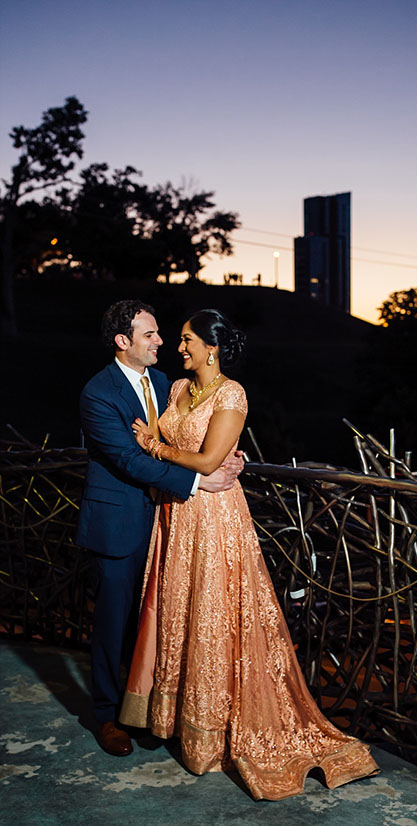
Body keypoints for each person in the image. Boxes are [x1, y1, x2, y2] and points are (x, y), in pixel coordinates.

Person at [119, 308, 379, 800]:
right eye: (179, 340)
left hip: (216, 519)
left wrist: (154, 448)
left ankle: (216, 731)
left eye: (188, 340)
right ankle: (179, 723)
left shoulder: (232, 393)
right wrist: (158, 444)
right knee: (181, 612)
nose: (180, 347)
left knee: (216, 615)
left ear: (211, 348)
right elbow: (169, 440)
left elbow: (208, 460)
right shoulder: (175, 389)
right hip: (177, 515)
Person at [77, 300, 243, 758]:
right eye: (149, 335)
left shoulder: (169, 384)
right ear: (122, 342)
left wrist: (229, 456)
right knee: (114, 621)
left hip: (171, 522)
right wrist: (198, 478)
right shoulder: (99, 392)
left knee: (156, 622)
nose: (161, 342)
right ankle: (108, 717)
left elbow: (191, 436)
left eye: (160, 334)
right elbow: (128, 459)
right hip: (119, 522)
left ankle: (147, 712)